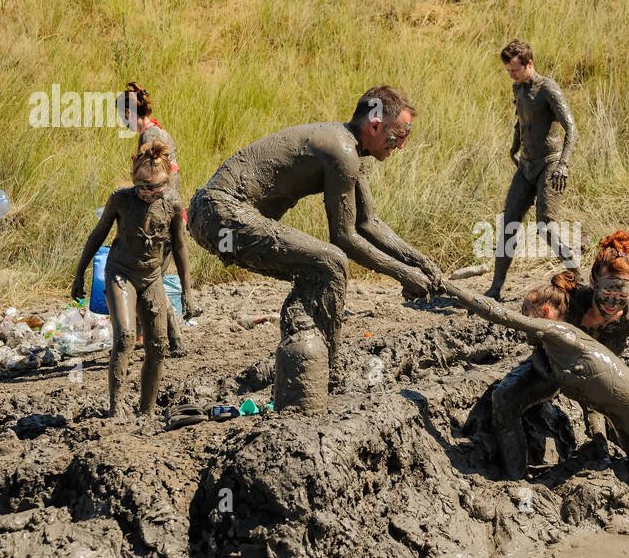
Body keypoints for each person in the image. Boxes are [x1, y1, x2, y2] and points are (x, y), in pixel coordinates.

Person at [188, 85, 444, 411]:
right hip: (219, 215)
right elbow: (345, 238)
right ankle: (328, 377)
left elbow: (370, 224)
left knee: (316, 272)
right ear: (376, 126)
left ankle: (305, 378)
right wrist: (404, 274)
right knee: (331, 263)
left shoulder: (351, 151)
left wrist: (421, 264)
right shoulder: (342, 150)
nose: (402, 145)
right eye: (400, 134)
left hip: (218, 217)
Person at [444, 279, 629, 509]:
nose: (522, 317)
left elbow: (498, 315)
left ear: (544, 314)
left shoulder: (563, 336)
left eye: (525, 311)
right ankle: (516, 478)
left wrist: (445, 286)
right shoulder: (556, 352)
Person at [491, 232, 629, 467]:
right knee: (503, 398)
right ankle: (515, 478)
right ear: (593, 282)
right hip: (556, 367)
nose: (612, 304)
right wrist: (555, 376)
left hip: (602, 381)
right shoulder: (570, 301)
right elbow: (539, 346)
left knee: (618, 437)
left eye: (621, 296)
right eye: (607, 294)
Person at [71, 142, 198, 419]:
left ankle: (146, 412)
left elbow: (179, 248)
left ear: (167, 182)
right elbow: (98, 234)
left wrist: (187, 292)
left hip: (152, 277)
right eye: (144, 187)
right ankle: (116, 411)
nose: (151, 194)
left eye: (157, 188)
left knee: (158, 347)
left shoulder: (173, 204)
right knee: (126, 337)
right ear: (133, 180)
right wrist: (80, 272)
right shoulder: (121, 199)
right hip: (121, 273)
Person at [485, 40, 578, 299]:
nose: (511, 76)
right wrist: (513, 147)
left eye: (515, 70)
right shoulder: (518, 88)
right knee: (508, 224)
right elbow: (521, 121)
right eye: (508, 71)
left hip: (549, 162)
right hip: (526, 164)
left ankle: (578, 277)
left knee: (545, 226)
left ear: (529, 64)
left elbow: (572, 128)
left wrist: (563, 164)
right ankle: (495, 288)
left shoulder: (548, 89)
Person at [115, 81, 185, 355]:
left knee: (150, 279)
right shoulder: (158, 132)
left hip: (161, 218)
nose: (123, 123)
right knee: (152, 279)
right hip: (171, 213)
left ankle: (172, 339)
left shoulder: (150, 137)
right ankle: (170, 339)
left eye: (123, 117)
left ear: (131, 114)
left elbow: (151, 184)